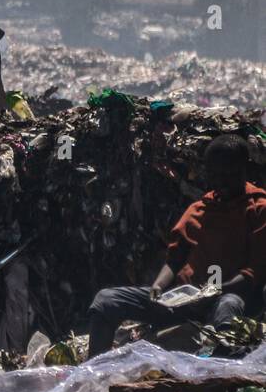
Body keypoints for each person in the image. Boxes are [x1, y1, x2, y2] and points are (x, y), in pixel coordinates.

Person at [87, 135, 266, 357]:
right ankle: (94, 369)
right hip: (184, 299)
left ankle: (222, 378)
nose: (223, 183)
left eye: (230, 175)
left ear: (245, 169)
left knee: (227, 306)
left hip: (232, 298)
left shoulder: (259, 208)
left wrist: (216, 291)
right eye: (217, 176)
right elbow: (175, 258)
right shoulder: (199, 209)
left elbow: (255, 273)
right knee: (106, 300)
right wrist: (159, 286)